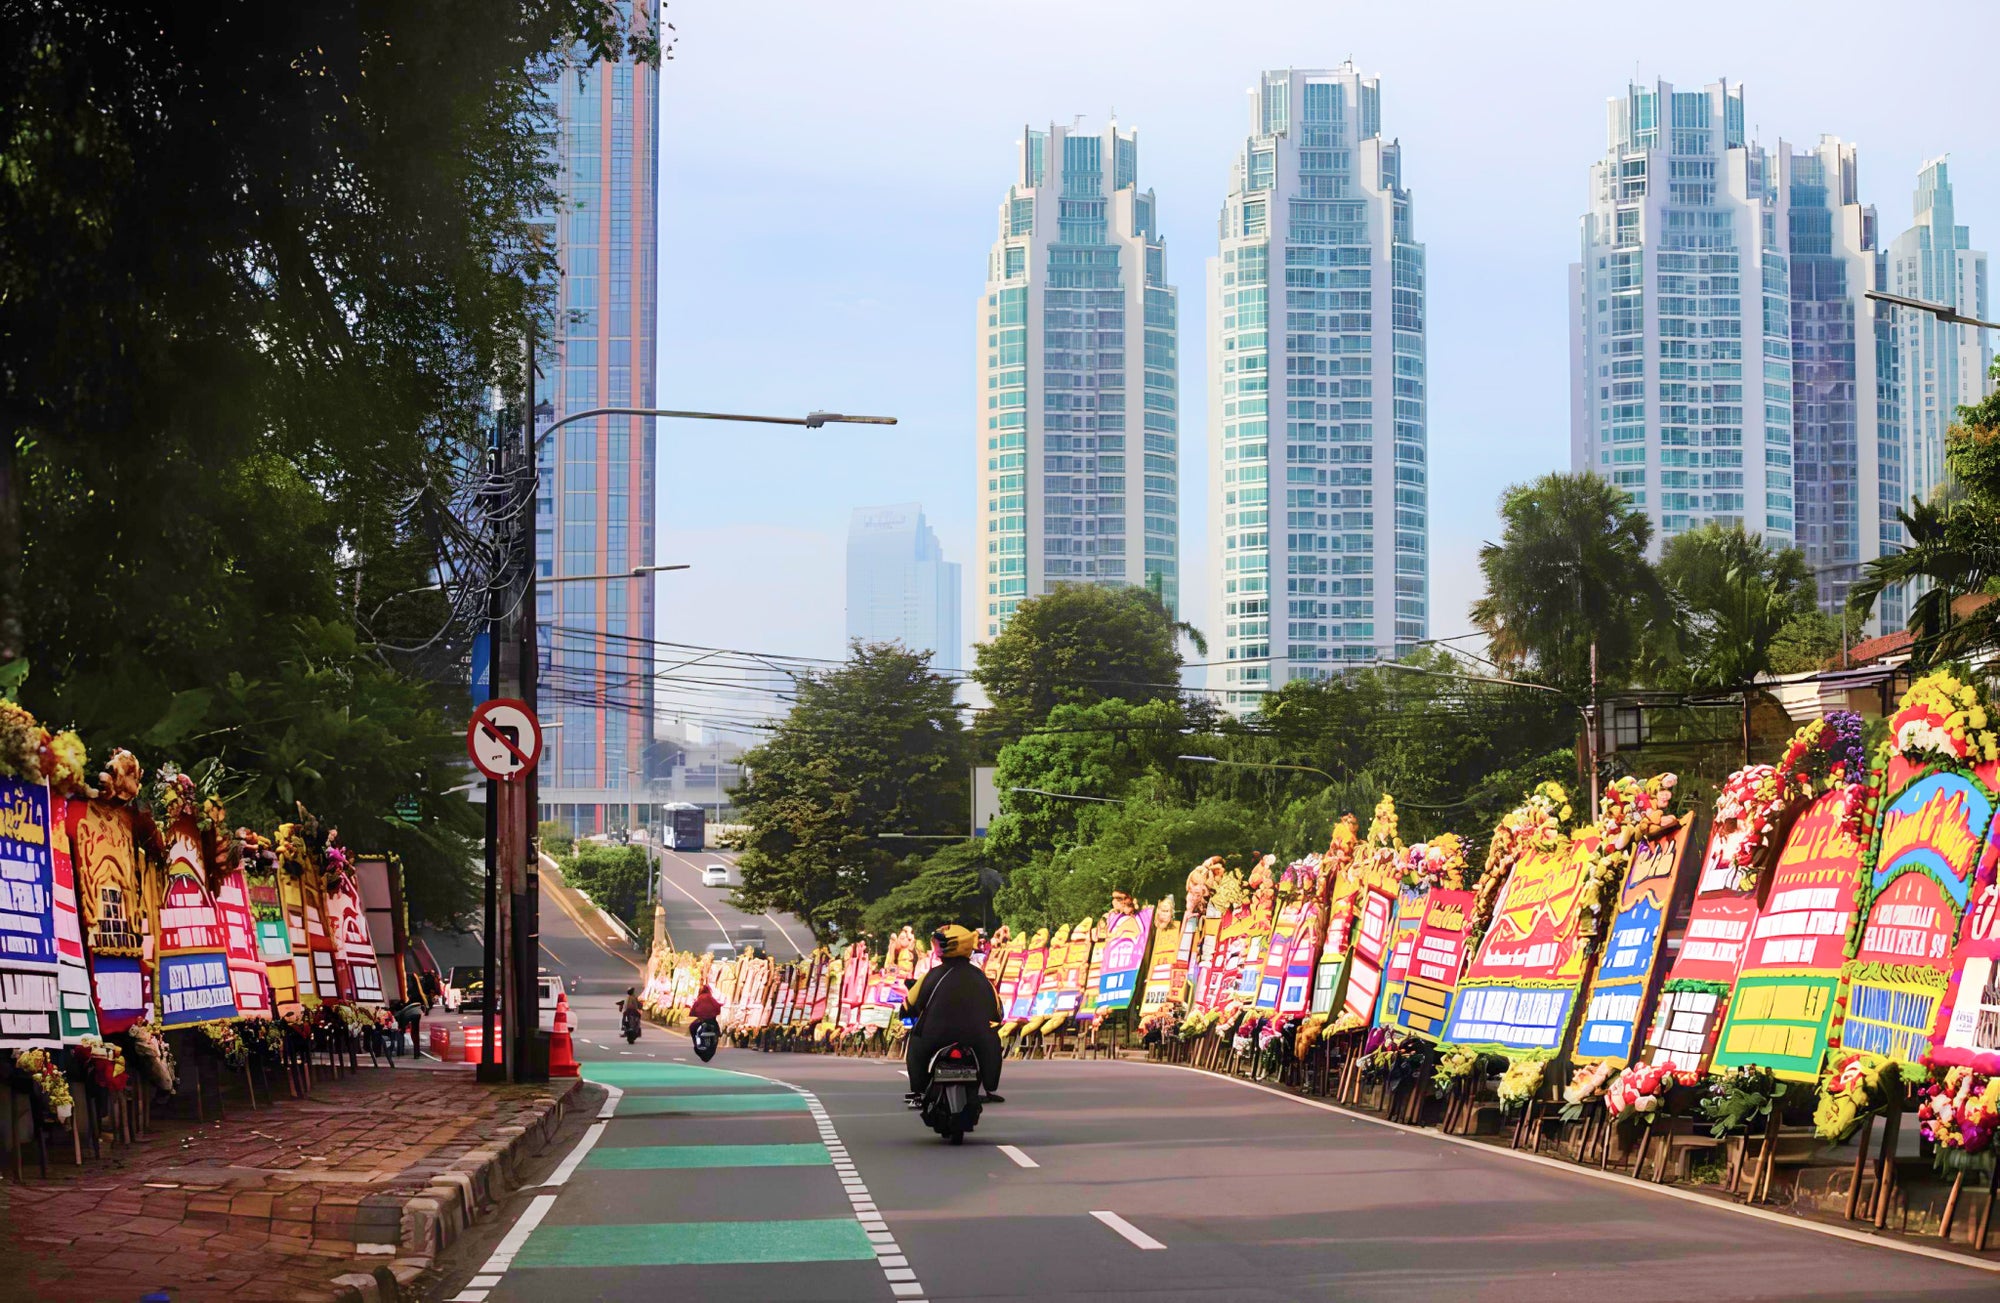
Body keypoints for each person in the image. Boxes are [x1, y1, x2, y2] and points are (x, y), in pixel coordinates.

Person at [901, 924, 1004, 1104]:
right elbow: (997, 1011)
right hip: (976, 1036)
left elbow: (909, 1004)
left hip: (934, 1035)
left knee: (915, 1046)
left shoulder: (932, 975)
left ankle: (919, 1092)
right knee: (993, 1043)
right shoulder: (980, 977)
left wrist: (906, 1013)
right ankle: (989, 1088)